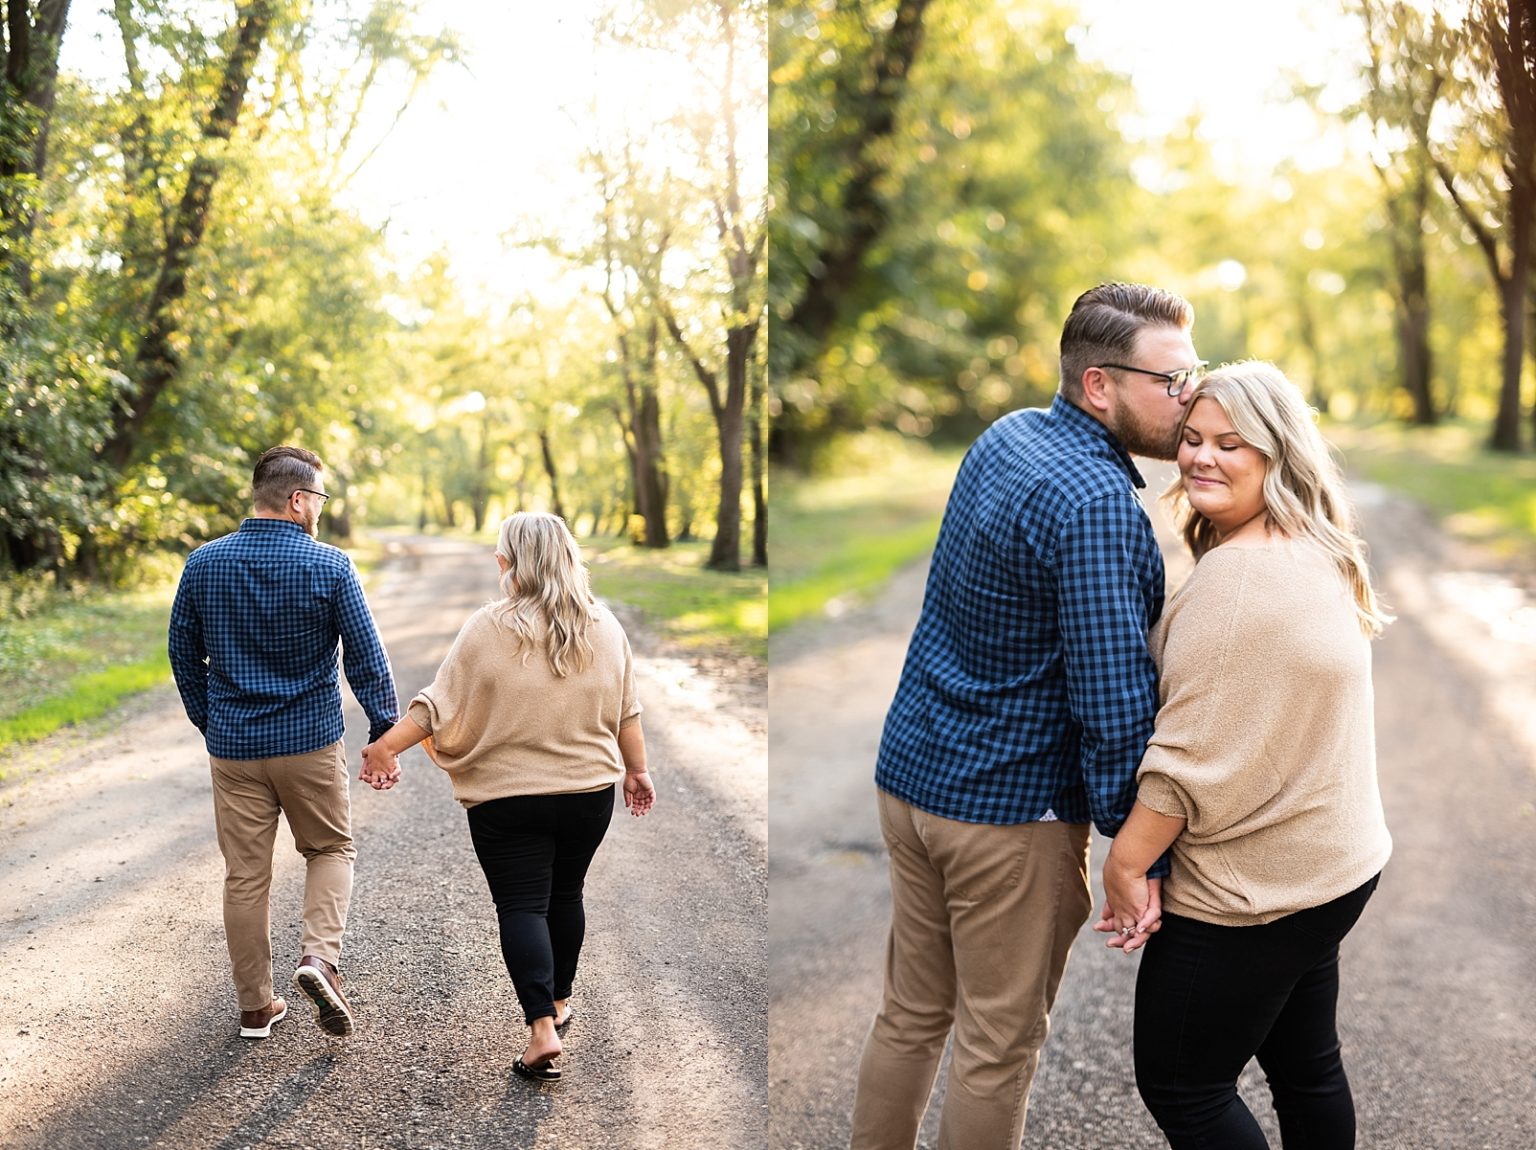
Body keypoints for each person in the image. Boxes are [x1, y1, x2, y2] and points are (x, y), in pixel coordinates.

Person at [848, 282, 1205, 1149]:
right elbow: (1113, 704)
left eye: (1193, 373)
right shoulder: (1097, 505)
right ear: (1100, 386)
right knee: (998, 1046)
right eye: (1171, 379)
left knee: (912, 1014)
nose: (1189, 396)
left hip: (912, 786)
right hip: (1004, 819)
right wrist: (1133, 849)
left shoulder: (1007, 435)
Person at [1097, 361, 1393, 1148]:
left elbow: (1185, 765)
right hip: (1332, 869)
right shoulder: (1314, 545)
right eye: (1192, 438)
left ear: (1276, 453)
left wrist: (1126, 866)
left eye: (1232, 443)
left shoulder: (1236, 582)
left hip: (1253, 892)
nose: (1201, 457)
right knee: (1307, 1069)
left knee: (1184, 1085)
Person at [359, 510, 655, 1082]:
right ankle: (560, 1002)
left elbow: (434, 706)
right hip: (587, 793)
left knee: (522, 906)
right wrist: (637, 771)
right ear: (569, 558)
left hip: (506, 799)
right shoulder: (604, 626)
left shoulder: (489, 626)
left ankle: (542, 1029)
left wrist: (384, 748)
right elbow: (627, 712)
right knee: (566, 894)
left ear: (508, 564)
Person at [168, 445, 398, 1041]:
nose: (320, 509)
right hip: (309, 744)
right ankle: (319, 960)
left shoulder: (203, 563)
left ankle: (254, 1008)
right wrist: (384, 732)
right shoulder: (331, 567)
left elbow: (182, 654)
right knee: (329, 851)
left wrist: (210, 721)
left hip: (235, 747)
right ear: (297, 500)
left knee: (245, 876)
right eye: (318, 497)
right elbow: (367, 659)